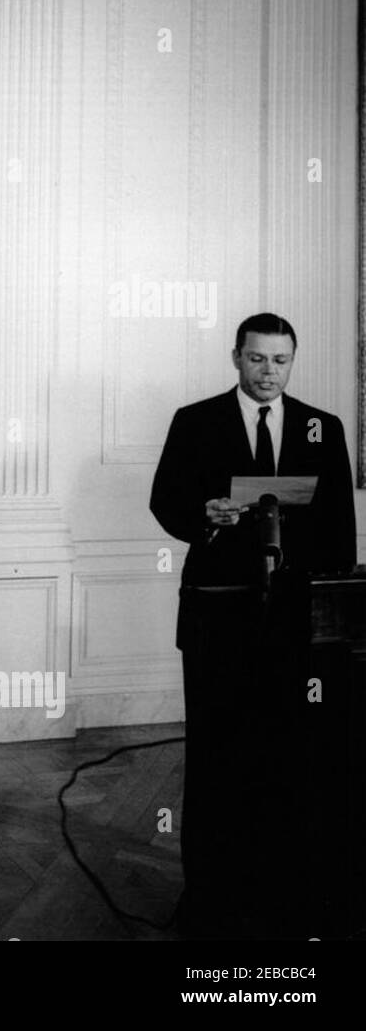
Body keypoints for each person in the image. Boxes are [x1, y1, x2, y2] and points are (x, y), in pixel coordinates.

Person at [150, 312, 357, 935]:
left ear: (294, 361)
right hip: (218, 616)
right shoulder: (196, 420)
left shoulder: (324, 427)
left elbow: (341, 525)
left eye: (281, 361)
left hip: (296, 621)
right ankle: (209, 895)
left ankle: (283, 889)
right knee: (217, 756)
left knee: (289, 754)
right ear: (236, 357)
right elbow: (166, 500)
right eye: (258, 359)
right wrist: (203, 513)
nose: (269, 373)